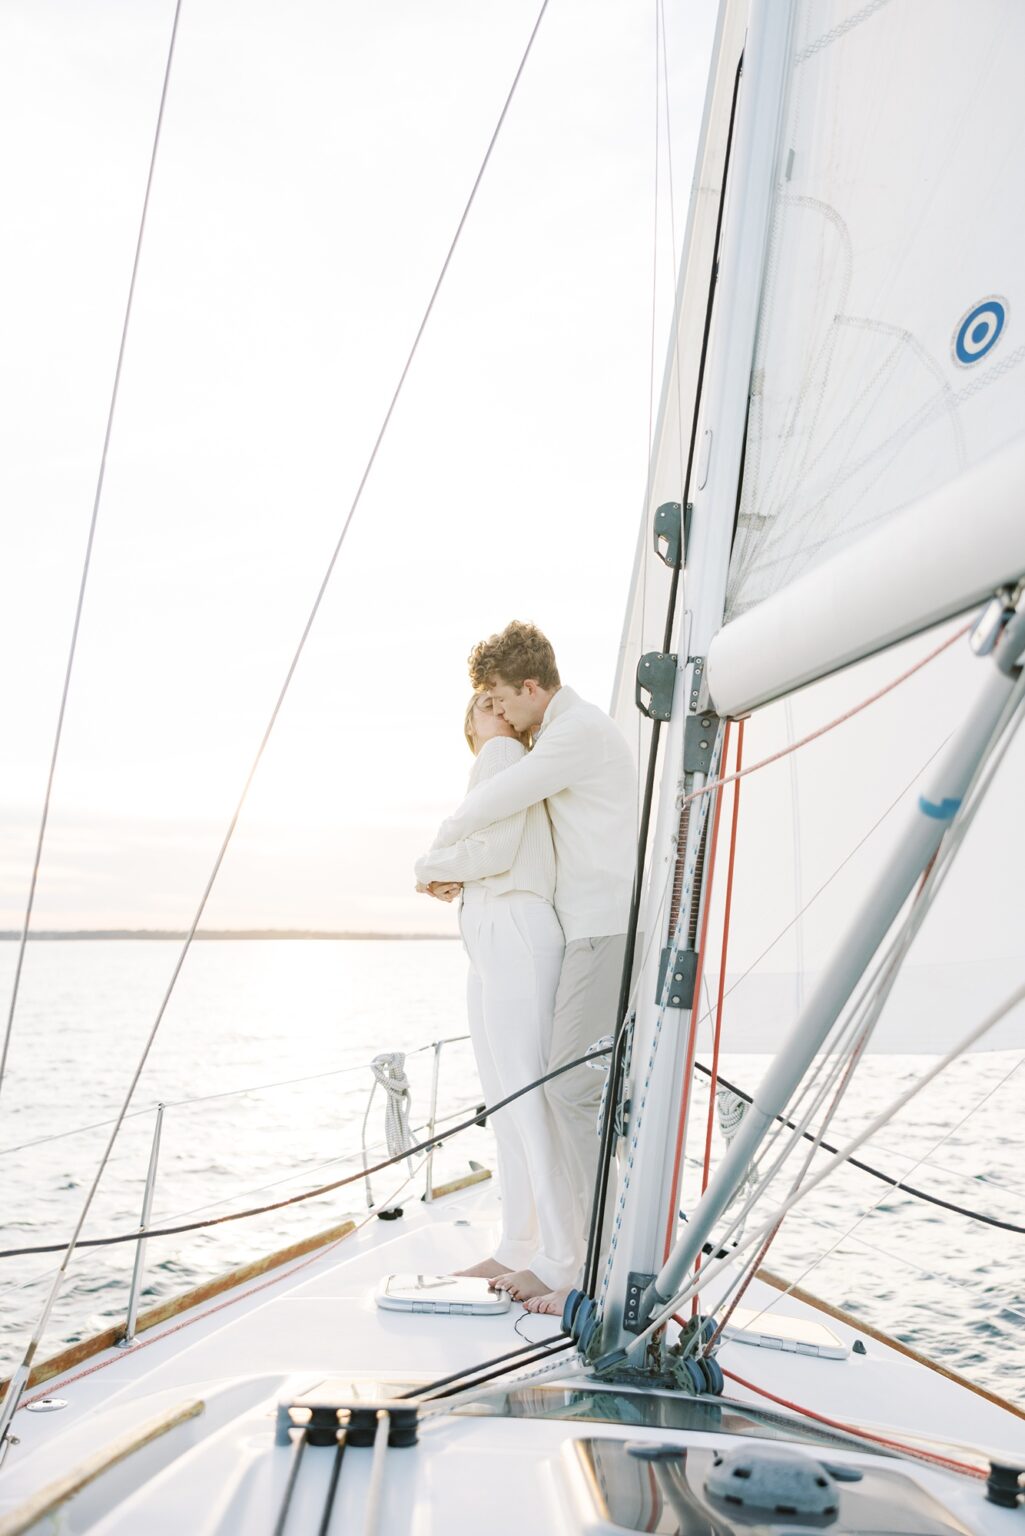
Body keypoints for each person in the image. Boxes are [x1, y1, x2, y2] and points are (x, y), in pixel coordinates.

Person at [431, 621, 636, 1316]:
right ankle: (561, 1250)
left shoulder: (572, 733)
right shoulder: (554, 738)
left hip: (602, 927)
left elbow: (499, 805)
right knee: (555, 1091)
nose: (499, 717)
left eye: (498, 699)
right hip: (579, 928)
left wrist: (436, 854)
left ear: (527, 687)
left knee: (569, 1090)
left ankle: (587, 1262)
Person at [415, 692, 579, 1301]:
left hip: (513, 929)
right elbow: (491, 849)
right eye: (486, 701)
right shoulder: (499, 761)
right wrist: (450, 867)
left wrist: (428, 865)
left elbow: (499, 850)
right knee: (508, 1102)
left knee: (526, 1102)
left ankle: (559, 1257)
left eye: (499, 698)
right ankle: (519, 1245)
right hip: (494, 936)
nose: (499, 709)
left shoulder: (504, 753)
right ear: (470, 718)